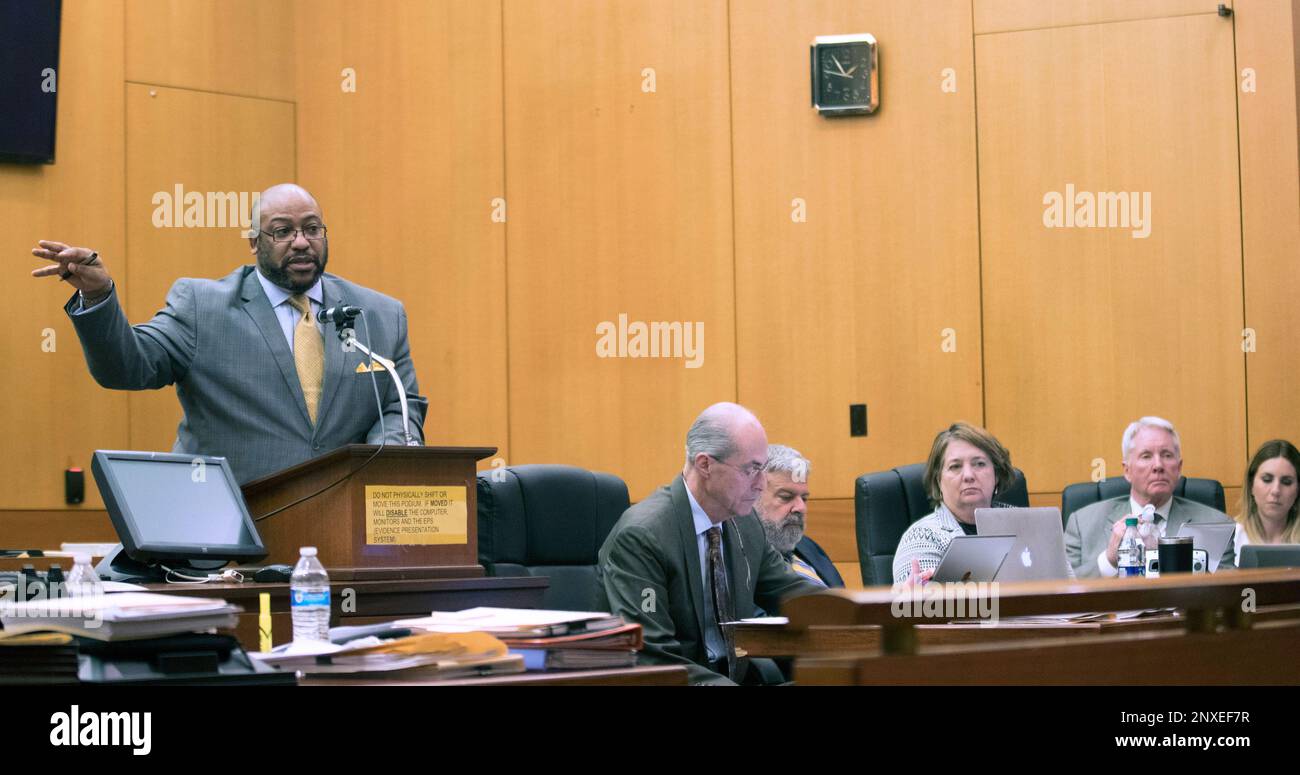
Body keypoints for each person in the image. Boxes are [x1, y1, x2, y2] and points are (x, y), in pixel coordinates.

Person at [30, 183, 427, 484]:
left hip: (344, 519)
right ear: (254, 241)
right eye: (282, 232)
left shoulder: (380, 314)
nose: (302, 242)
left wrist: (380, 470)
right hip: (231, 527)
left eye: (312, 229)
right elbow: (127, 368)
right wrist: (98, 295)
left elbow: (400, 407)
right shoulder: (203, 306)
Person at [596, 402, 824, 685]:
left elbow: (792, 592)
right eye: (752, 469)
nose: (761, 484)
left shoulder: (745, 523)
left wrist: (868, 615)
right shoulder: (643, 536)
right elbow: (652, 655)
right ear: (705, 465)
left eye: (763, 469)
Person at [1064, 416, 1235, 577]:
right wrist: (1109, 561)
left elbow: (1228, 593)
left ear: (1179, 467)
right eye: (1146, 456)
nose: (1158, 465)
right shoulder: (1083, 523)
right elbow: (1062, 589)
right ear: (1127, 470)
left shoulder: (1217, 524)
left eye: (1167, 455)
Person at [892, 422, 1017, 585]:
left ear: (997, 475)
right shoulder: (921, 538)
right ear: (938, 481)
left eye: (979, 464)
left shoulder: (1021, 522)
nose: (968, 475)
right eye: (955, 466)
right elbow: (927, 608)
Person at [754, 444, 843, 587]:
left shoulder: (808, 547)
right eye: (786, 497)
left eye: (804, 498)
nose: (801, 508)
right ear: (752, 497)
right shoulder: (740, 561)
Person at [1234, 439, 1300, 565]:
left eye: (1286, 482)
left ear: (1298, 490)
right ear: (1251, 485)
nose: (1276, 490)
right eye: (1267, 479)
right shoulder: (1231, 538)